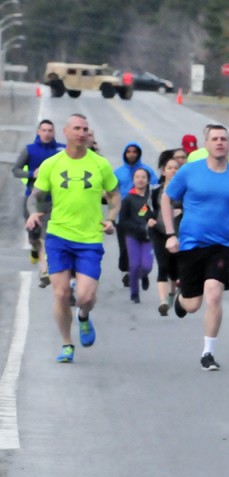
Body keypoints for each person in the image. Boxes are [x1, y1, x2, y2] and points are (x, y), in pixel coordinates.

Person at [24, 113, 120, 363]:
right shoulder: (52, 164)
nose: (81, 133)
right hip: (58, 236)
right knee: (61, 294)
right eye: (76, 128)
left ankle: (84, 316)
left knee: (85, 297)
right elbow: (34, 196)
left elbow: (114, 194)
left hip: (89, 239)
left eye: (85, 129)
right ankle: (67, 344)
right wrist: (33, 213)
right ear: (65, 132)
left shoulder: (100, 164)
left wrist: (111, 218)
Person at [162, 124, 229, 371]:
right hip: (191, 244)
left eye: (224, 138)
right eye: (215, 139)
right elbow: (167, 197)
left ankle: (208, 353)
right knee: (193, 305)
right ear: (206, 144)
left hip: (221, 245)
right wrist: (170, 234)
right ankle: (182, 300)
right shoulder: (190, 171)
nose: (219, 142)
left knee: (214, 294)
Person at [12, 119, 64, 288]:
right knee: (34, 237)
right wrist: (31, 174)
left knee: (45, 237)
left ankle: (44, 272)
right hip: (32, 200)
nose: (47, 133)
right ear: (38, 132)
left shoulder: (61, 151)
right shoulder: (29, 150)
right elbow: (15, 170)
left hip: (52, 201)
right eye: (44, 130)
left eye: (50, 130)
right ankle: (33, 249)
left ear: (53, 132)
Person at [147, 157, 183, 316]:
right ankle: (163, 301)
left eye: (176, 168)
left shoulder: (185, 191)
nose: (173, 170)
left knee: (175, 267)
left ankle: (173, 292)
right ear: (163, 171)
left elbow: (195, 208)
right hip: (159, 232)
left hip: (180, 233)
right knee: (162, 265)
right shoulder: (155, 190)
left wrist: (183, 211)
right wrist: (148, 218)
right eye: (170, 168)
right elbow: (144, 208)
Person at [118, 167, 156, 303]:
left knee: (147, 266)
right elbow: (123, 221)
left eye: (143, 177)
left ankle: (144, 275)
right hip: (132, 236)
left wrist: (152, 221)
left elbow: (154, 212)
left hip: (148, 237)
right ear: (133, 180)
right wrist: (137, 227)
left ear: (148, 180)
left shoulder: (151, 197)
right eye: (137, 177)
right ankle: (134, 293)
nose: (140, 180)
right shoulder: (128, 199)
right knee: (134, 265)